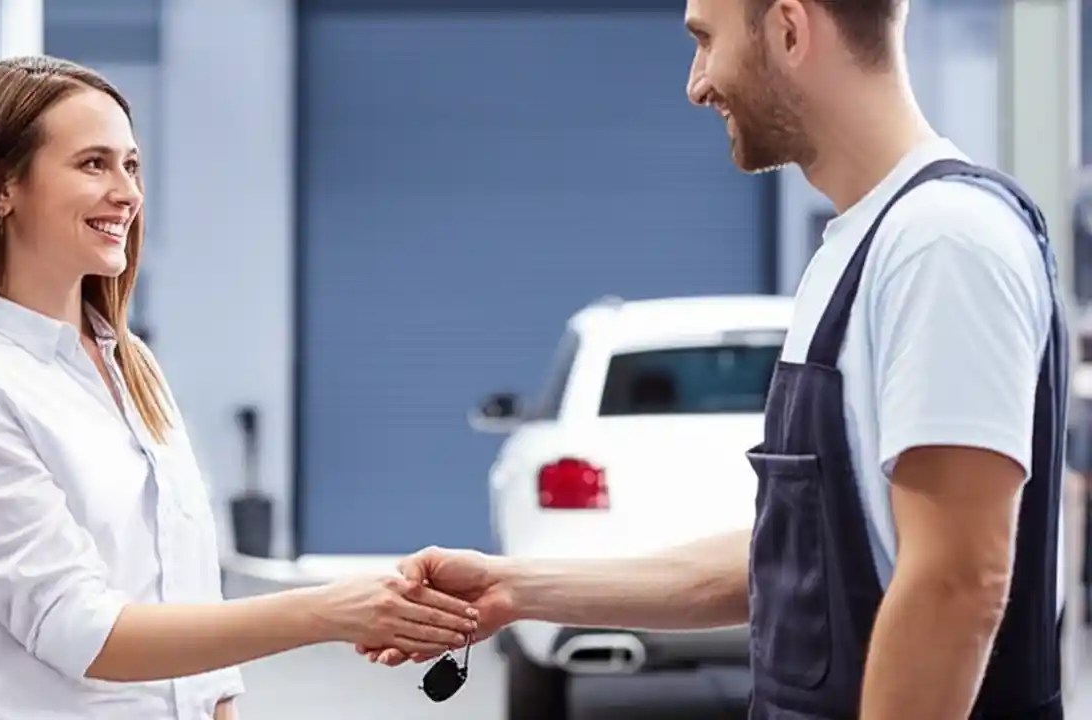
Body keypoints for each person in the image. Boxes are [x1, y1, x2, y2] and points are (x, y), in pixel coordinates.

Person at [363, 1, 1070, 718]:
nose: (696, 84)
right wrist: (515, 590)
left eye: (706, 41)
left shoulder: (942, 244)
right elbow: (789, 555)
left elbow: (958, 583)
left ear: (790, 29)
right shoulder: (863, 248)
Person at [0, 55, 478, 720]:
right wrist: (329, 610)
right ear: (3, 187)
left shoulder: (130, 361)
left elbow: (187, 588)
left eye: (131, 165)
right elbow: (81, 630)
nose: (127, 192)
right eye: (93, 164)